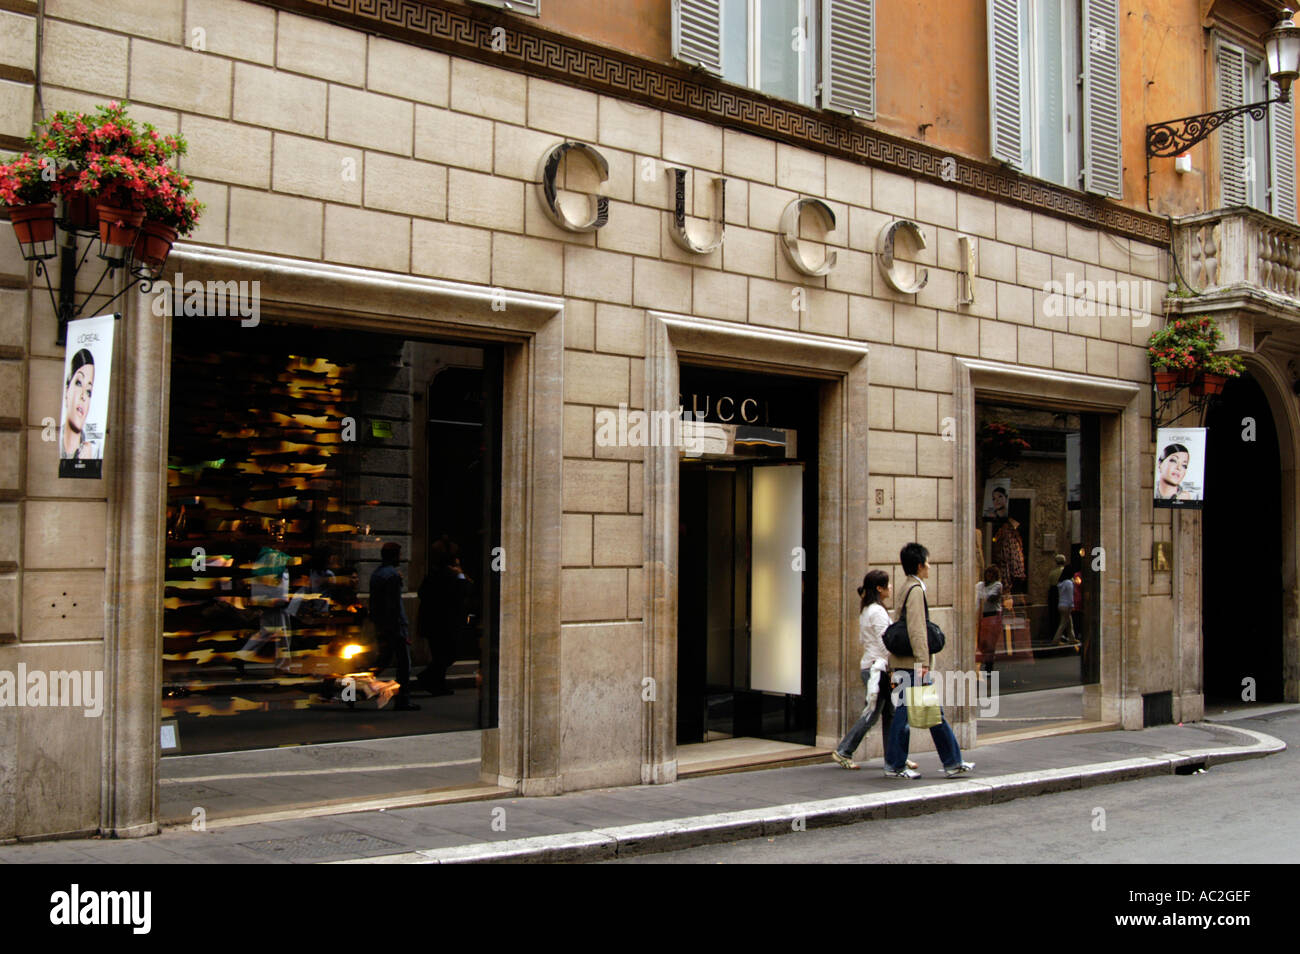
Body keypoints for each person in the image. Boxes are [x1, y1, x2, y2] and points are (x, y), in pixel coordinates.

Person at [882, 542, 974, 780]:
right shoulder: (915, 590)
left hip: (907, 664)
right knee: (903, 715)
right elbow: (917, 629)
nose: (930, 566)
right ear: (920, 565)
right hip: (911, 665)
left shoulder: (908, 587)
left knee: (933, 714)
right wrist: (923, 662)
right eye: (928, 562)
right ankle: (895, 765)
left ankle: (953, 761)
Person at [830, 570, 916, 772]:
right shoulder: (876, 611)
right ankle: (844, 750)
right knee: (873, 713)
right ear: (879, 588)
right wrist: (894, 667)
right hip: (878, 669)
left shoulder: (868, 610)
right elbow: (885, 642)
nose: (891, 588)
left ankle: (895, 757)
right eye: (888, 584)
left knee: (889, 713)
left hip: (875, 667)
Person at [370, 541, 419, 710]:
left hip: (383, 625)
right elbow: (394, 606)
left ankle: (359, 684)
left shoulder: (378, 574)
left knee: (382, 661)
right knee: (404, 664)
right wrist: (399, 628)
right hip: (395, 626)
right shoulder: (392, 576)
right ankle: (403, 699)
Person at [60, 348, 100, 461]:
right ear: (67, 390)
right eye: (78, 383)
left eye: (88, 391)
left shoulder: (94, 453)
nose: (83, 396)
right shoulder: (52, 439)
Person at [975, 565, 1003, 674]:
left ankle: (989, 666)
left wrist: (981, 593)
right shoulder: (981, 585)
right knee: (982, 642)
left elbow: (989, 598)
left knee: (990, 642)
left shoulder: (997, 585)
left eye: (992, 574)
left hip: (993, 616)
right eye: (988, 574)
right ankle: (983, 663)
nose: (989, 576)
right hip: (982, 615)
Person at [1052, 570, 1079, 646]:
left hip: (1061, 604)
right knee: (1063, 623)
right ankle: (1056, 640)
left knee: (1069, 623)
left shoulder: (1061, 583)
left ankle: (1072, 638)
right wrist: (1072, 605)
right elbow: (1070, 596)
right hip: (1067, 605)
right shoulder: (1069, 583)